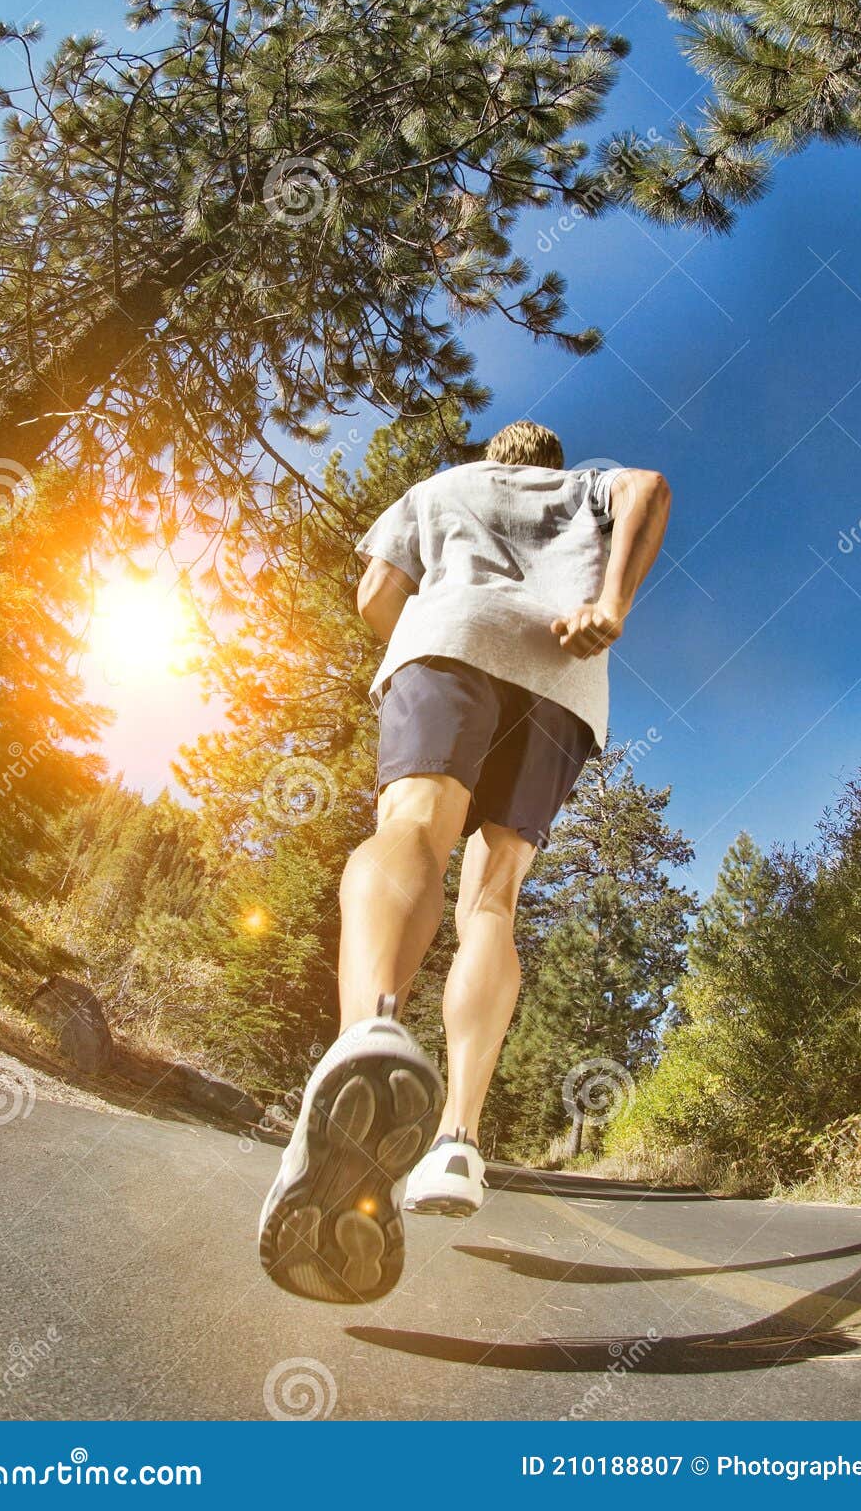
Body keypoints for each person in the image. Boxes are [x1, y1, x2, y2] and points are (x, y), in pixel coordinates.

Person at [259, 419, 671, 1303]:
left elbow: (378, 591)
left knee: (413, 827)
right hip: (562, 673)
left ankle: (367, 1034)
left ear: (495, 455)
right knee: (493, 900)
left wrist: (425, 633)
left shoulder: (439, 488)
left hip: (451, 639)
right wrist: (611, 607)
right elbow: (648, 484)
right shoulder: (582, 489)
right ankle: (456, 1140)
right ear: (552, 465)